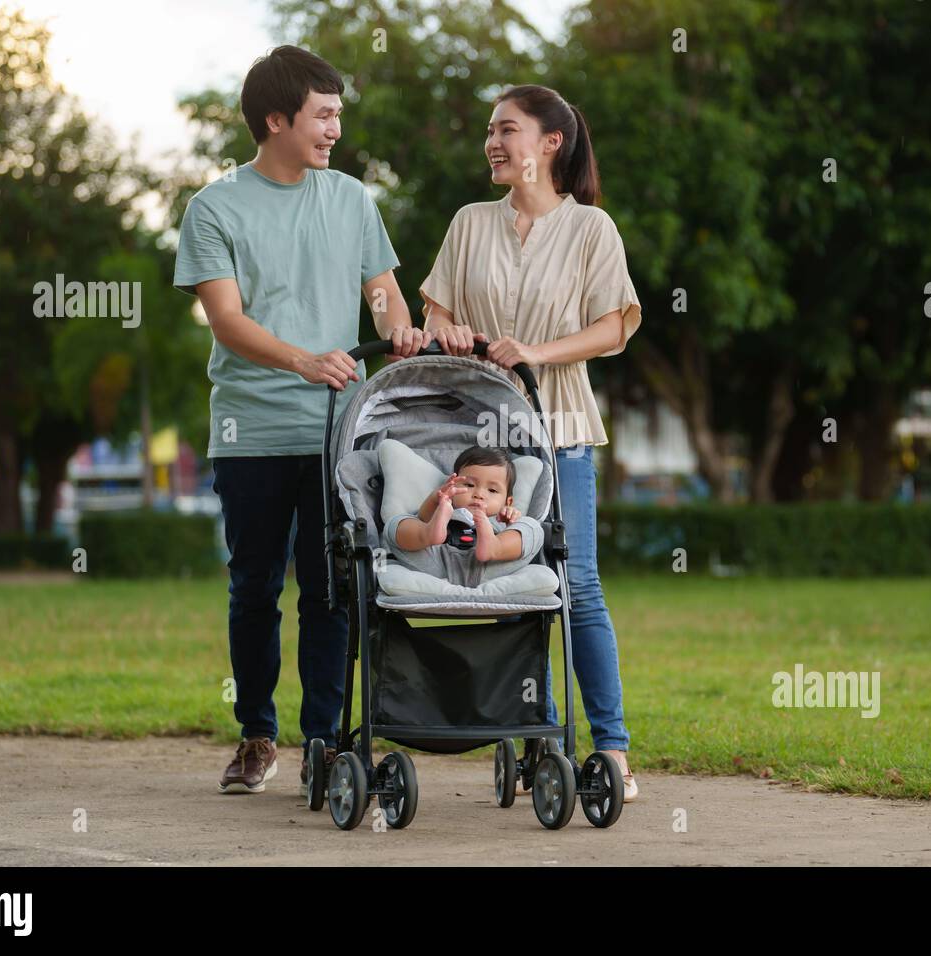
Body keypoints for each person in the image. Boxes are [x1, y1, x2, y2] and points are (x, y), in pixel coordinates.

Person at [172, 45, 431, 794]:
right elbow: (227, 321)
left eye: (338, 114)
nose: (335, 130)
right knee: (255, 589)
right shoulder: (214, 207)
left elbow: (381, 292)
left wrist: (400, 329)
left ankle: (325, 740)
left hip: (340, 434)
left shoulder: (350, 199)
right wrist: (304, 362)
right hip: (251, 432)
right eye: (323, 115)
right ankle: (257, 734)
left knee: (331, 590)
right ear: (276, 120)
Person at [420, 84, 643, 801]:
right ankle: (539, 735)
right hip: (483, 437)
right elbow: (435, 316)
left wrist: (536, 353)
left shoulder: (591, 229)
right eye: (490, 130)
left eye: (506, 129)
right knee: (512, 588)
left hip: (561, 427)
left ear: (551, 143)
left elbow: (613, 327)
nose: (493, 141)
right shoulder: (469, 222)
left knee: (575, 585)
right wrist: (449, 331)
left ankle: (611, 747)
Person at [384, 446, 542, 586]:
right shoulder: (446, 510)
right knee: (396, 523)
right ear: (452, 486)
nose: (479, 494)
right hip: (438, 561)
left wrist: (513, 520)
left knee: (532, 527)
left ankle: (495, 547)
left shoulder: (501, 518)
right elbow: (423, 519)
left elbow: (518, 533)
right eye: (469, 485)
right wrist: (435, 499)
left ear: (507, 501)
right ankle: (428, 534)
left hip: (489, 566)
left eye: (492, 490)